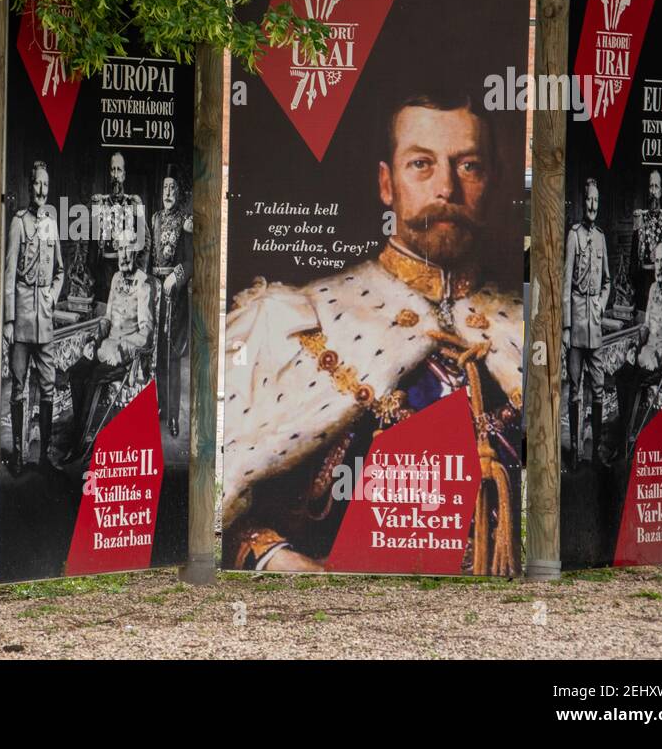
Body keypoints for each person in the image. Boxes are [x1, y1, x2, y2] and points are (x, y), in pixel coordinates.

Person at [223, 91, 522, 576]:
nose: (446, 188)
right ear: (387, 183)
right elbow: (227, 500)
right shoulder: (300, 320)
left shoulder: (524, 324)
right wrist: (276, 558)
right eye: (421, 164)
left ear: (492, 182)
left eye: (468, 166)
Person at [67, 233, 156, 456]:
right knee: (75, 372)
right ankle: (79, 433)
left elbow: (146, 333)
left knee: (92, 379)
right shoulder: (116, 278)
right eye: (121, 249)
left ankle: (80, 444)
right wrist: (93, 340)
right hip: (104, 347)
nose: (123, 256)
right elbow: (107, 318)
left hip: (124, 356)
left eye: (128, 250)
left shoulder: (144, 284)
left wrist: (122, 349)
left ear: (136, 253)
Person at [3, 161, 65, 473]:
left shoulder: (51, 224)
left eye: (45, 184)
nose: (41, 190)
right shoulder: (18, 222)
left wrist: (52, 294)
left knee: (49, 386)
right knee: (19, 387)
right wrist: (9, 320)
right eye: (37, 183)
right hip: (22, 320)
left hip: (45, 320)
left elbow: (60, 271)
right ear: (30, 187)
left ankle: (44, 458)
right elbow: (9, 273)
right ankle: (17, 455)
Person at [562, 178, 612, 468]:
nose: (592, 205)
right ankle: (575, 454)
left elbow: (607, 281)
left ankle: (595, 457)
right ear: (583, 202)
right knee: (574, 388)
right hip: (577, 325)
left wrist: (602, 303)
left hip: (595, 326)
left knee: (599, 387)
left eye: (596, 200)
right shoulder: (574, 236)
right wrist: (566, 327)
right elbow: (566, 283)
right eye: (589, 200)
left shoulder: (601, 238)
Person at [617, 240, 662, 449]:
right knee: (621, 374)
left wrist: (660, 352)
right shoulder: (653, 288)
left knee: (633, 379)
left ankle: (626, 437)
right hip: (644, 353)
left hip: (659, 361)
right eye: (657, 261)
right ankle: (624, 430)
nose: (660, 267)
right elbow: (646, 326)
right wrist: (634, 345)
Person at [149, 165, 192, 437]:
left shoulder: (186, 221)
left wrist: (175, 278)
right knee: (158, 353)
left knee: (173, 355)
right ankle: (161, 408)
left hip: (174, 296)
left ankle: (174, 416)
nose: (168, 192)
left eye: (172, 188)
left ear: (178, 191)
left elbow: (190, 262)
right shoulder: (154, 219)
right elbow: (150, 257)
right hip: (155, 294)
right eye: (165, 187)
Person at [89, 152, 148, 299]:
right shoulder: (99, 203)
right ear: (109, 173)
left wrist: (139, 271)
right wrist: (91, 275)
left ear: (124, 175)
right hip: (103, 274)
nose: (116, 175)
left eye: (119, 170)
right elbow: (92, 245)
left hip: (127, 270)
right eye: (113, 169)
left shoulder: (134, 202)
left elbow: (145, 240)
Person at [632, 169, 662, 304]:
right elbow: (633, 255)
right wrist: (632, 285)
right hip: (643, 283)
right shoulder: (640, 217)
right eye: (651, 186)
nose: (653, 191)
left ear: (660, 192)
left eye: (656, 186)